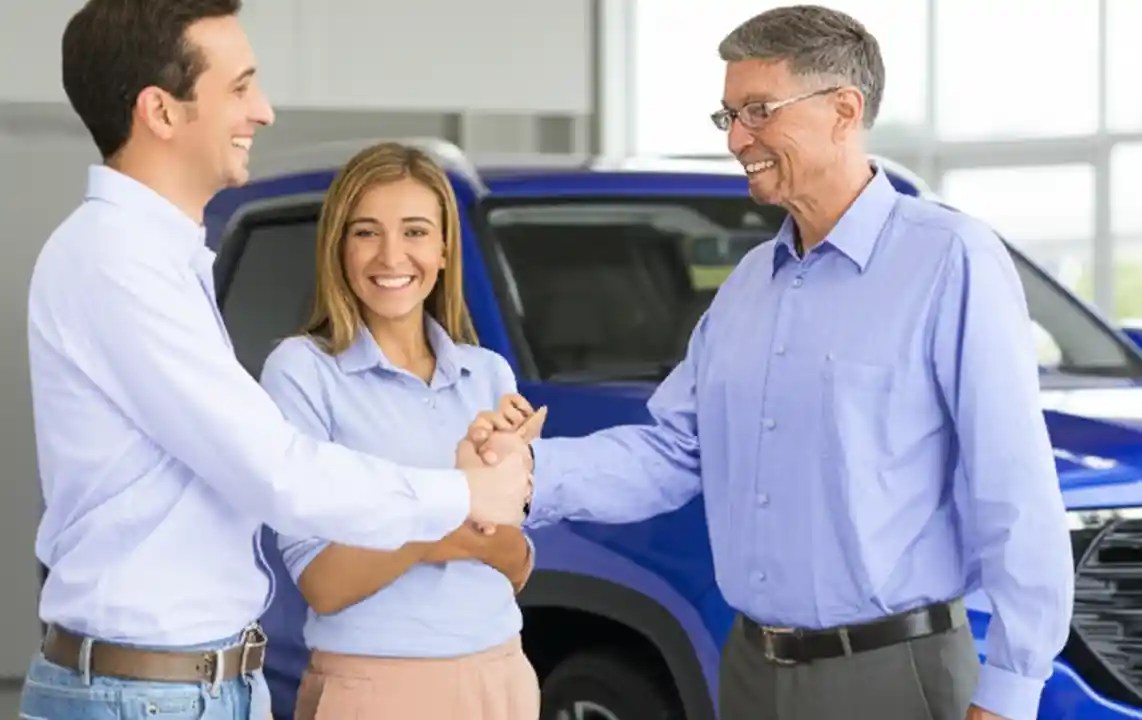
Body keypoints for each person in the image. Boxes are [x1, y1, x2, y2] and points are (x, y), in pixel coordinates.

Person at [467, 5, 1074, 720]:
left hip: (890, 676)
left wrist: (1011, 690)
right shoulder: (751, 284)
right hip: (751, 668)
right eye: (727, 116)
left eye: (758, 110)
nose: (738, 139)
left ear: (843, 110)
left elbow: (1014, 486)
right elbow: (673, 450)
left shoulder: (948, 258)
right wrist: (527, 474)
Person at [21, 3, 529, 719]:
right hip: (146, 698)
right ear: (160, 111)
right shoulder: (116, 263)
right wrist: (467, 496)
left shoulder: (164, 261)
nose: (262, 111)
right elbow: (277, 473)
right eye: (240, 88)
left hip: (197, 685)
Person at [257, 141, 544, 720]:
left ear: (443, 249)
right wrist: (460, 516)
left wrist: (474, 510)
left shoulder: (488, 373)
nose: (391, 256)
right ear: (338, 247)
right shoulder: (302, 371)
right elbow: (324, 581)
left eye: (415, 232)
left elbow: (515, 566)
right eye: (366, 232)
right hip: (376, 688)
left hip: (502, 677)